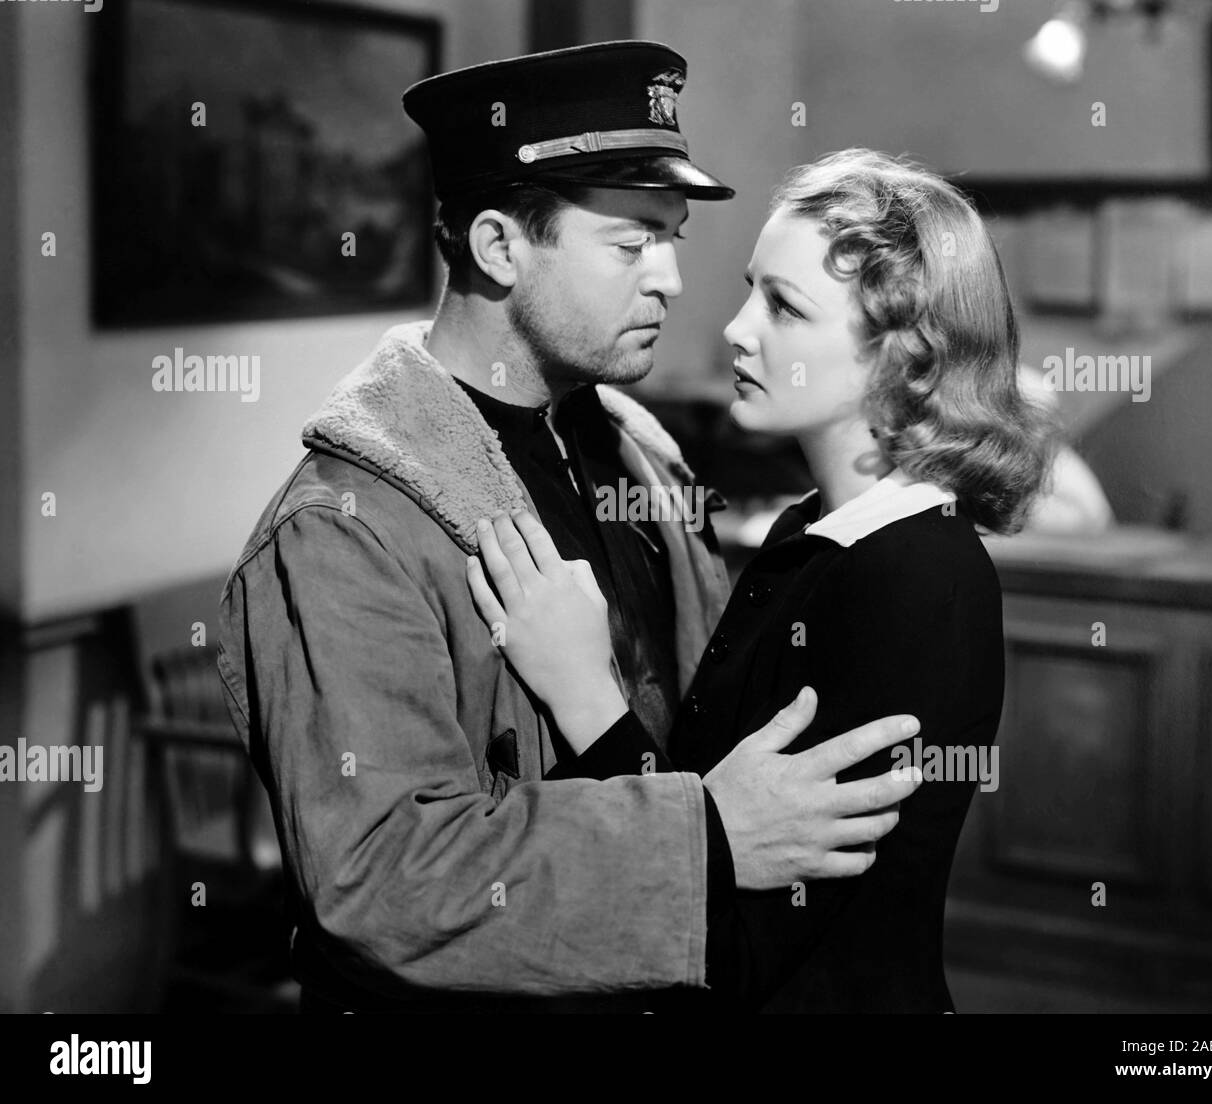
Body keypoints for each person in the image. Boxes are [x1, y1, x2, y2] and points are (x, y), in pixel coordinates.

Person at [216, 43, 922, 1013]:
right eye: (631, 245)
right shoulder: (345, 529)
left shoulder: (643, 459)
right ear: (500, 246)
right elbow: (380, 881)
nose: (672, 279)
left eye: (670, 237)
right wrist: (706, 836)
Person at [469, 148, 1056, 1011]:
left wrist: (583, 694)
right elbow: (727, 817)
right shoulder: (810, 530)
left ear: (907, 358)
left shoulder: (916, 580)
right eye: (753, 290)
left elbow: (737, 951)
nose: (738, 329)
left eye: (784, 306)